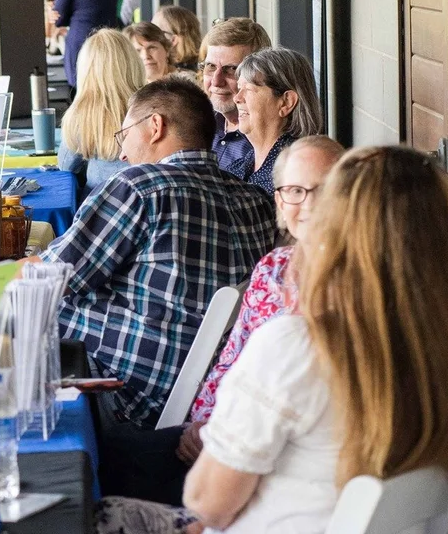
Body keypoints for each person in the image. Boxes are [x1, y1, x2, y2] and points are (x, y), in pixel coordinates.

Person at [92, 145, 448, 534]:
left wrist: (205, 520)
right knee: (107, 521)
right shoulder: (447, 358)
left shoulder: (298, 347)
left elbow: (207, 503)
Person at [100, 136, 346, 506]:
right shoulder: (273, 268)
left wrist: (222, 435)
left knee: (105, 489)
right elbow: (231, 359)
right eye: (294, 190)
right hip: (219, 434)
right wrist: (201, 424)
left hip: (272, 460)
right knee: (102, 456)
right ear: (279, 199)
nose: (308, 203)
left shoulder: (357, 285)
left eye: (324, 190)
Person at [44, 77, 276, 427]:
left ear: (155, 126)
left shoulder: (139, 186)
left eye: (124, 136)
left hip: (136, 394)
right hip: (215, 389)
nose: (121, 153)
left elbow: (49, 278)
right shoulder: (255, 200)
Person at [57, 29, 145, 196]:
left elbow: (66, 166)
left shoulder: (81, 115)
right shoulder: (152, 106)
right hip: (144, 204)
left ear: (85, 70)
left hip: (97, 210)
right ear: (133, 63)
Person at [224, 46, 322, 193]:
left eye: (249, 90)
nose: (237, 98)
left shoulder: (296, 175)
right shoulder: (236, 169)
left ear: (286, 102)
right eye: (239, 89)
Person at [202, 16, 270, 175]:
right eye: (211, 67)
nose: (216, 81)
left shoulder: (266, 143)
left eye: (232, 69)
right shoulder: (199, 125)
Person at [153, 5, 201, 72]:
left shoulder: (168, 75)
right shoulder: (203, 68)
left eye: (154, 32)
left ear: (173, 40)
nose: (150, 37)